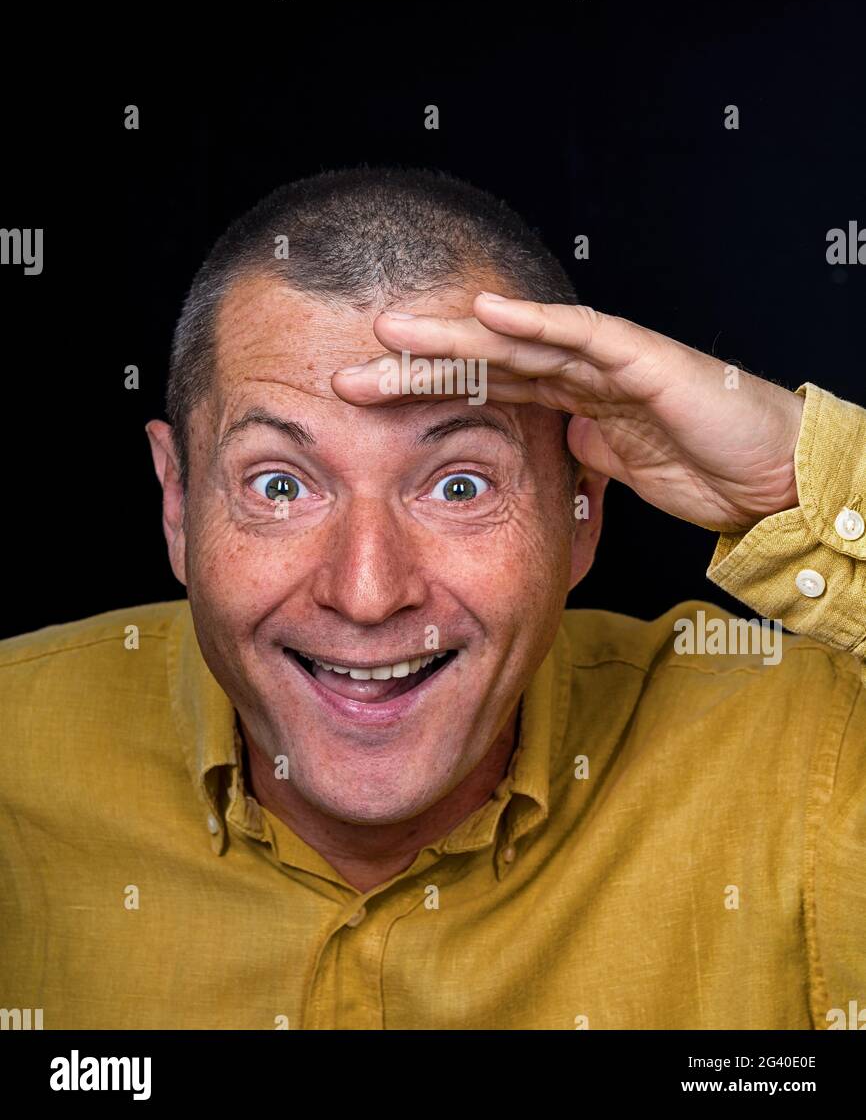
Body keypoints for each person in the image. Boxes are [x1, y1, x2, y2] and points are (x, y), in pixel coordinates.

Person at [1, 166, 863, 1031]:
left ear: (582, 515)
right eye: (279, 485)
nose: (368, 594)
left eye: (457, 487)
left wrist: (794, 476)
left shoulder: (809, 759)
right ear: (178, 505)